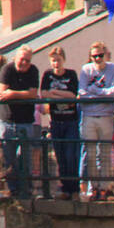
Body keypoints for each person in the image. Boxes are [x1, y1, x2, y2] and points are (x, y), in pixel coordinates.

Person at [77, 40, 114, 200]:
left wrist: (94, 91)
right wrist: (102, 93)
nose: (97, 59)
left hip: (106, 116)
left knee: (105, 153)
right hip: (89, 116)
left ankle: (104, 187)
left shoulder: (113, 68)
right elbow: (81, 92)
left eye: (100, 55)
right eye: (94, 56)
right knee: (91, 153)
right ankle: (93, 187)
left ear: (105, 54)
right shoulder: (85, 70)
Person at [40, 44, 79, 200]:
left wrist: (54, 93)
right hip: (56, 120)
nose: (56, 63)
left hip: (71, 121)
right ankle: (65, 189)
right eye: (53, 61)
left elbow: (73, 95)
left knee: (71, 155)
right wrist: (62, 96)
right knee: (60, 156)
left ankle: (74, 188)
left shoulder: (71, 74)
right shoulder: (47, 75)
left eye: (58, 60)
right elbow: (43, 94)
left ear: (64, 60)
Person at [0, 45, 39, 199]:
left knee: (25, 157)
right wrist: (23, 94)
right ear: (16, 58)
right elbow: (2, 93)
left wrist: (13, 94)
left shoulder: (33, 71)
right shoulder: (7, 70)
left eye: (27, 61)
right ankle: (13, 189)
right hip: (8, 121)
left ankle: (26, 189)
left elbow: (33, 94)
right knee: (9, 158)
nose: (24, 63)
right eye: (22, 59)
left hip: (26, 121)